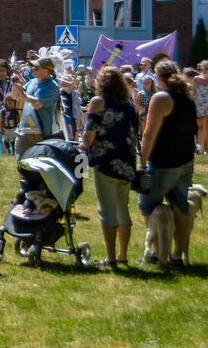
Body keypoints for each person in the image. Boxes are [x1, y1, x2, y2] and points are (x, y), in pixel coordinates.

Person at [139, 61, 198, 268]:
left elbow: (148, 133)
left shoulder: (161, 97)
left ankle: (156, 252)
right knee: (180, 206)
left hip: (164, 162)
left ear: (159, 77)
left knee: (147, 204)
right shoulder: (187, 98)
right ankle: (177, 255)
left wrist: (142, 161)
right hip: (185, 159)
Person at [80, 67, 140, 268]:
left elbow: (89, 137)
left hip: (105, 163)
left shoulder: (98, 103)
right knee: (123, 210)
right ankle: (123, 255)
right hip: (128, 163)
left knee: (107, 211)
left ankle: (111, 258)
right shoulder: (129, 105)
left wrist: (81, 146)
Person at [12, 57, 61, 158]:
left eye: (36, 68)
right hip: (23, 131)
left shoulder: (53, 87)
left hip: (40, 134)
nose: (32, 68)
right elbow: (16, 97)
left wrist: (22, 93)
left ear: (45, 71)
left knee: (38, 170)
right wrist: (15, 87)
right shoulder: (32, 81)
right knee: (21, 166)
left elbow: (37, 104)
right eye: (33, 67)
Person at [190, 61, 208, 154]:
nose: (204, 70)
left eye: (206, 68)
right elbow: (193, 93)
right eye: (202, 68)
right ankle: (202, 149)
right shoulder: (196, 79)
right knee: (200, 128)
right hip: (199, 105)